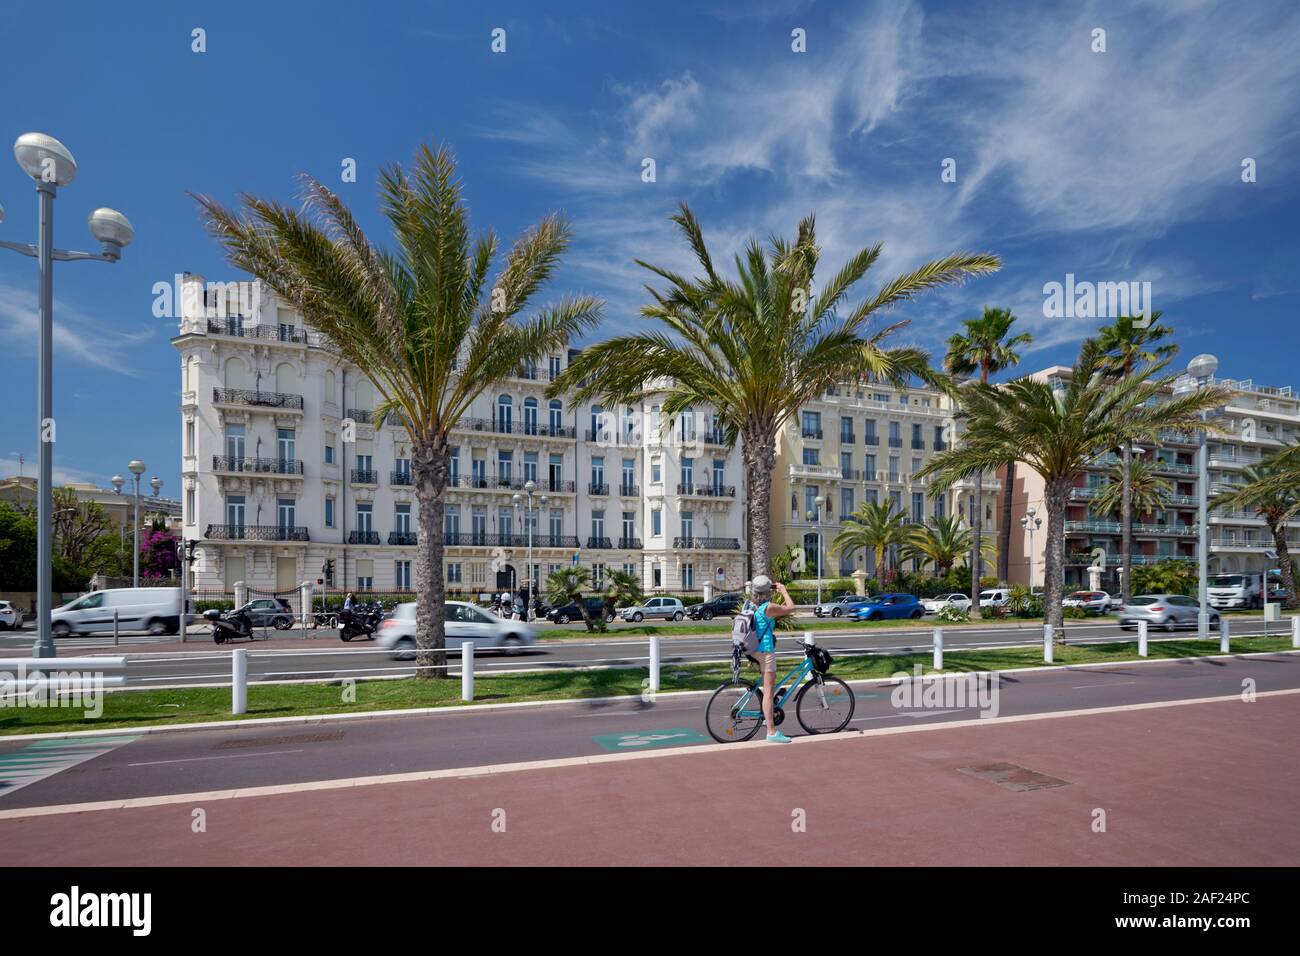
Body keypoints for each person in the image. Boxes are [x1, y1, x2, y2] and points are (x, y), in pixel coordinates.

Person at [750, 575, 796, 743]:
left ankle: (767, 715)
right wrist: (783, 591)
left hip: (754, 650)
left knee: (768, 688)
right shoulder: (768, 608)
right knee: (768, 692)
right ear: (768, 591)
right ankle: (771, 731)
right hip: (766, 652)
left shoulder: (752, 605)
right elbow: (791, 608)